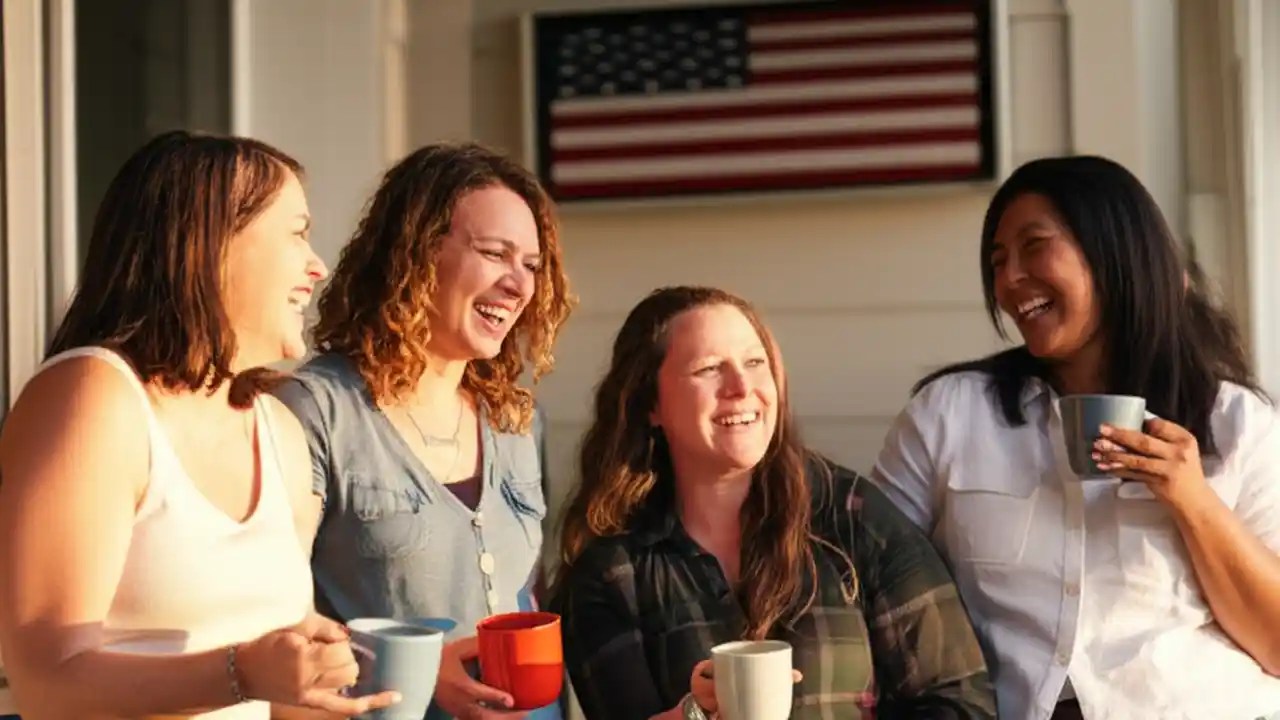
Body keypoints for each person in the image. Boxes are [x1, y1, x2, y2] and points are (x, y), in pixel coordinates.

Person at [0, 131, 399, 719]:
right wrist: (242, 672)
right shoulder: (94, 396)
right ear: (210, 244)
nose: (317, 266)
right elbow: (42, 682)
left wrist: (380, 678)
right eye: (297, 233)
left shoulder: (278, 429)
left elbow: (280, 696)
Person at [872, 155, 1280, 720]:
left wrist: (1192, 500)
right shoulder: (950, 413)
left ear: (1114, 253)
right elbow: (867, 578)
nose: (1009, 279)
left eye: (1034, 246)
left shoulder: (1235, 421)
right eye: (998, 260)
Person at [550, 285, 995, 720]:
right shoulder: (611, 571)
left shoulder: (851, 515)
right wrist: (694, 714)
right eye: (708, 369)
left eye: (755, 362)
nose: (741, 386)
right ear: (650, 405)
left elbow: (960, 699)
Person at [272, 142, 574, 720]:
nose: (519, 285)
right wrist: (407, 667)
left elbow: (522, 595)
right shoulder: (315, 411)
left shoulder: (518, 423)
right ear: (415, 254)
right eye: (494, 253)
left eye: (531, 265)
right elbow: (268, 626)